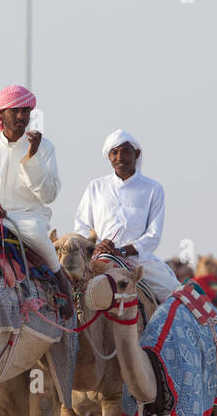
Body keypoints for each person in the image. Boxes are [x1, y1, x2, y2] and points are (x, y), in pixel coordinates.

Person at [0, 84, 73, 299]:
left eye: (26, 111)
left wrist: (33, 156)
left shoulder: (44, 148)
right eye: (15, 110)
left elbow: (48, 196)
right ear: (1, 113)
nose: (21, 116)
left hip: (27, 217)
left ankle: (62, 282)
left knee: (39, 237)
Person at [73, 129, 181, 303]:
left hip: (138, 261)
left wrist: (122, 251)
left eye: (125, 152)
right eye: (114, 153)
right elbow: (82, 226)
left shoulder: (153, 189)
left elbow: (153, 236)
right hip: (99, 258)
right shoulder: (96, 187)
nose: (120, 157)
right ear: (109, 157)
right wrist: (98, 245)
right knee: (70, 293)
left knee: (176, 294)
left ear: (136, 154)